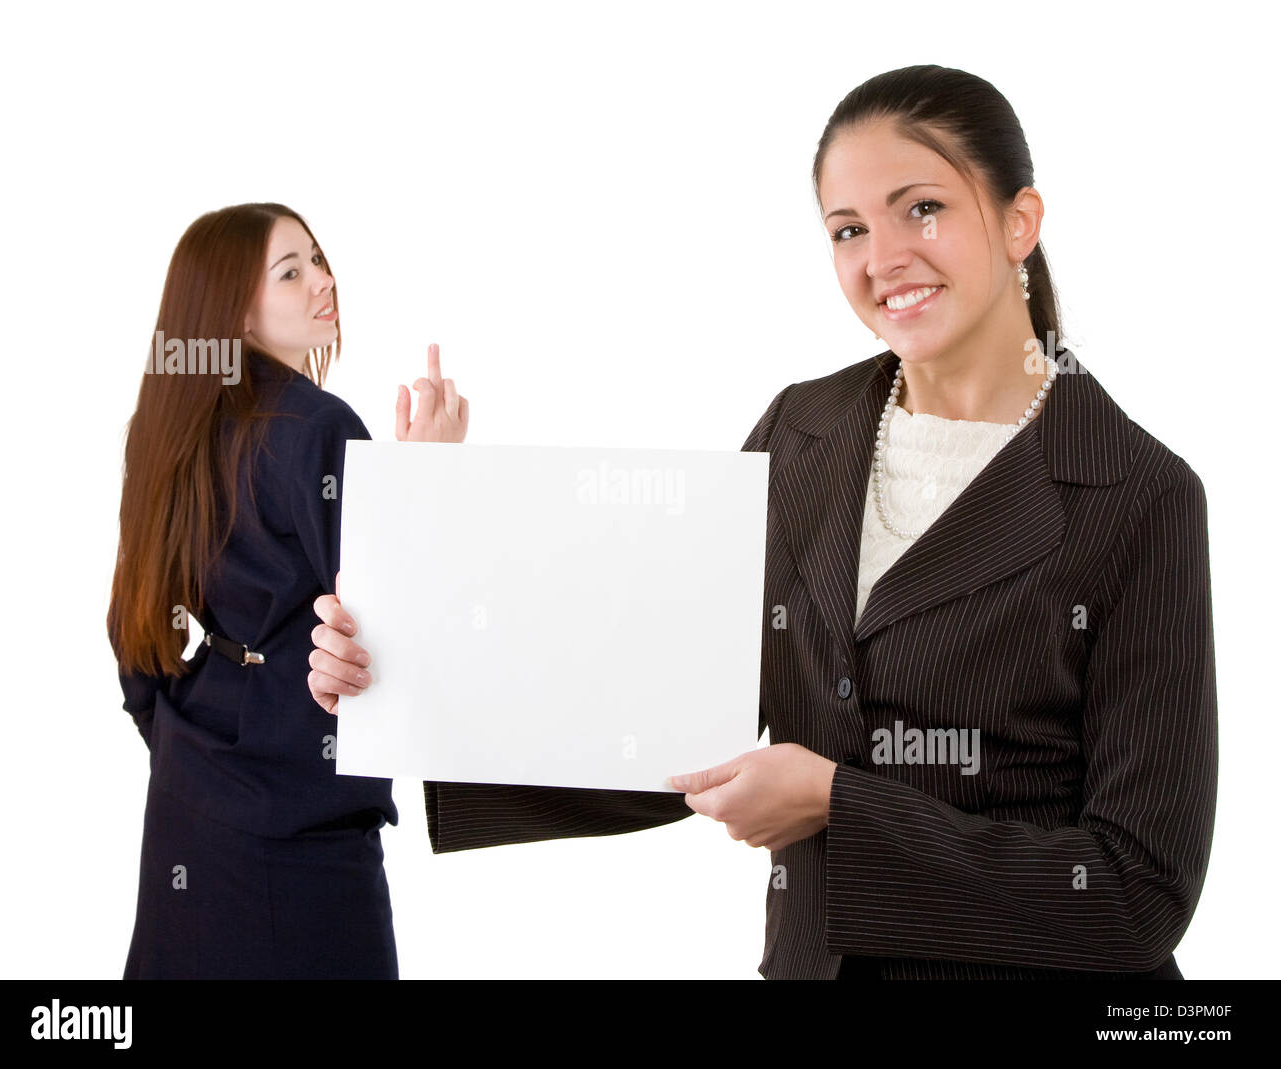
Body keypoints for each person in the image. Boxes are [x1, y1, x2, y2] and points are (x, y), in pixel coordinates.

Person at [307, 65, 1217, 980]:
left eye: (922, 208)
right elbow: (673, 718)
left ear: (1020, 219)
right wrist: (407, 669)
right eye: (849, 230)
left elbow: (1138, 894)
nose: (882, 257)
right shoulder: (802, 433)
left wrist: (840, 806)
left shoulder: (1139, 495)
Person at [108, 203, 468, 979]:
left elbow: (133, 634)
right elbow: (411, 636)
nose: (323, 281)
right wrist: (430, 482)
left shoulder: (161, 428)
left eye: (317, 258)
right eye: (291, 270)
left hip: (184, 818)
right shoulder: (317, 427)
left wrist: (184, 752)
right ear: (235, 310)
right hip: (302, 838)